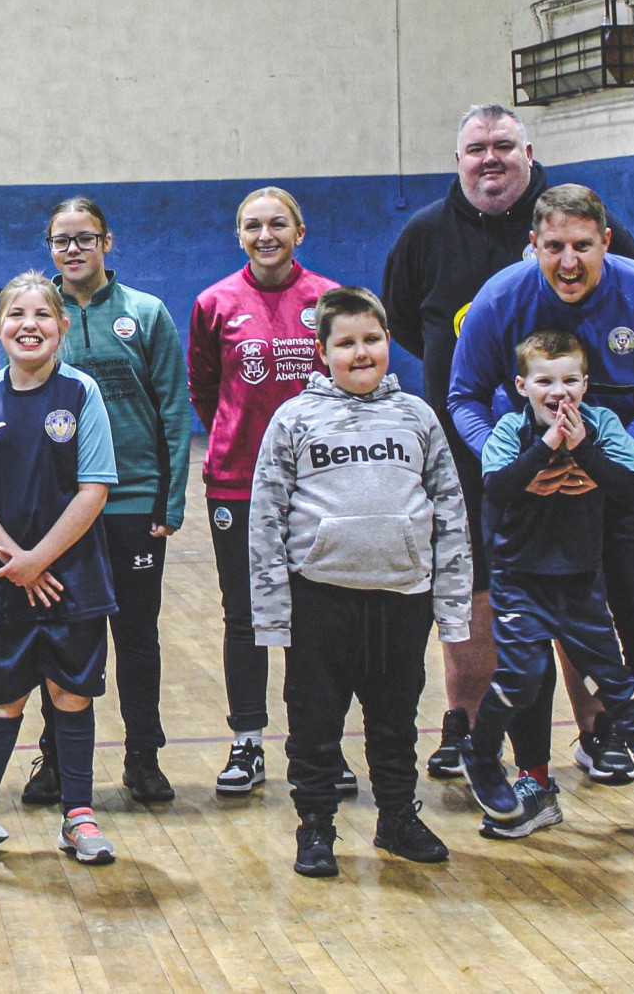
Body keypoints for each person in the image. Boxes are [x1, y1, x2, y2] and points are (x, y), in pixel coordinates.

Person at [383, 104, 634, 782]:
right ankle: (464, 725)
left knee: (582, 589)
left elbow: (632, 316)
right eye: (476, 148)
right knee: (474, 595)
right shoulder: (424, 235)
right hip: (469, 463)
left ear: (529, 151)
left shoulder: (580, 228)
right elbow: (410, 325)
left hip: (577, 457)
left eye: (504, 145)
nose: (490, 158)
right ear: (459, 159)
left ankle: (597, 728)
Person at [448, 183, 634, 844]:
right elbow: (465, 396)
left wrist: (607, 462)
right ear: (533, 244)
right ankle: (533, 781)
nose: (567, 259)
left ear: (605, 243)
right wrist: (512, 462)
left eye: (582, 245)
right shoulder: (500, 300)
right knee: (526, 638)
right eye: (553, 245)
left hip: (626, 485)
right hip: (534, 498)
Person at [249, 287, 470, 878]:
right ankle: (316, 826)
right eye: (345, 343)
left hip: (402, 599)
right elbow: (266, 516)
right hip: (321, 599)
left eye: (372, 339)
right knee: (315, 723)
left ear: (389, 342)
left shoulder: (419, 417)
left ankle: (397, 817)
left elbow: (449, 510)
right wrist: (271, 612)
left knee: (396, 722)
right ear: (322, 351)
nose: (361, 352)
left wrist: (451, 608)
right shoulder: (294, 419)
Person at [0, 272, 118, 870]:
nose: (29, 325)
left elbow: (93, 488)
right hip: (8, 580)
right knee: (4, 696)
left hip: (74, 579)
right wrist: (14, 564)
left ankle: (78, 815)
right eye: (15, 314)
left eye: (42, 315)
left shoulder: (81, 393)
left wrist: (38, 561)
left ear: (61, 326)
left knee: (71, 695)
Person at [27, 196, 191, 806]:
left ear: (106, 242)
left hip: (133, 505)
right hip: (65, 512)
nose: (73, 249)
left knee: (137, 638)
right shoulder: (38, 318)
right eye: (61, 240)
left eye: (85, 237)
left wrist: (168, 503)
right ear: (49, 248)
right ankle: (56, 762)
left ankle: (143, 758)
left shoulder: (146, 314)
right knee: (64, 638)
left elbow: (174, 410)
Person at [187, 187, 343, 797]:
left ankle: (321, 743)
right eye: (253, 226)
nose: (265, 235)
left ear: (299, 232)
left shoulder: (330, 300)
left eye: (278, 224)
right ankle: (247, 741)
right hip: (237, 481)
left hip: (320, 484)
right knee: (244, 616)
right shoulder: (214, 302)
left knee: (320, 615)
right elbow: (206, 386)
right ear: (239, 235)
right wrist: (236, 437)